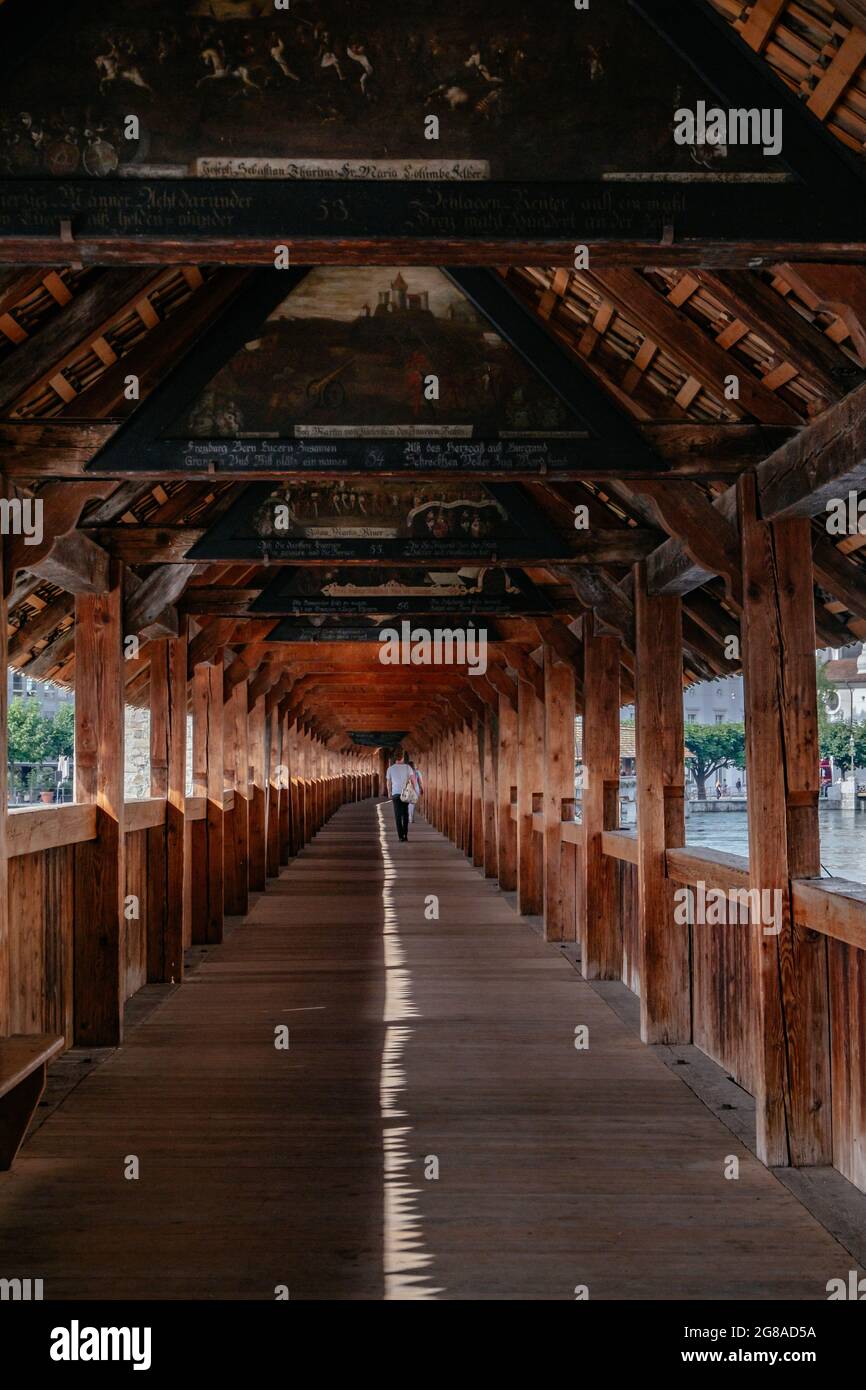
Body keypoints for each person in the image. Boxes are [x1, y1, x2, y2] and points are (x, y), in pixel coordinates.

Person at [386, 750, 417, 842]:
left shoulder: (390, 769)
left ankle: (400, 836)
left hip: (395, 794)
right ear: (403, 757)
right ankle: (405, 834)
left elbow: (388, 782)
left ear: (395, 758)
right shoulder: (408, 768)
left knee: (397, 815)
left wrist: (389, 792)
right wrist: (414, 790)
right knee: (405, 814)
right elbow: (413, 780)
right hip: (406, 794)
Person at [407, 759, 423, 824]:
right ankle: (410, 817)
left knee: (408, 804)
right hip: (415, 789)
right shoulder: (417, 772)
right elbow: (420, 781)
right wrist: (421, 788)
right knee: (412, 804)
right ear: (414, 766)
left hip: (407, 789)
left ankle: (408, 817)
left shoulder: (406, 772)